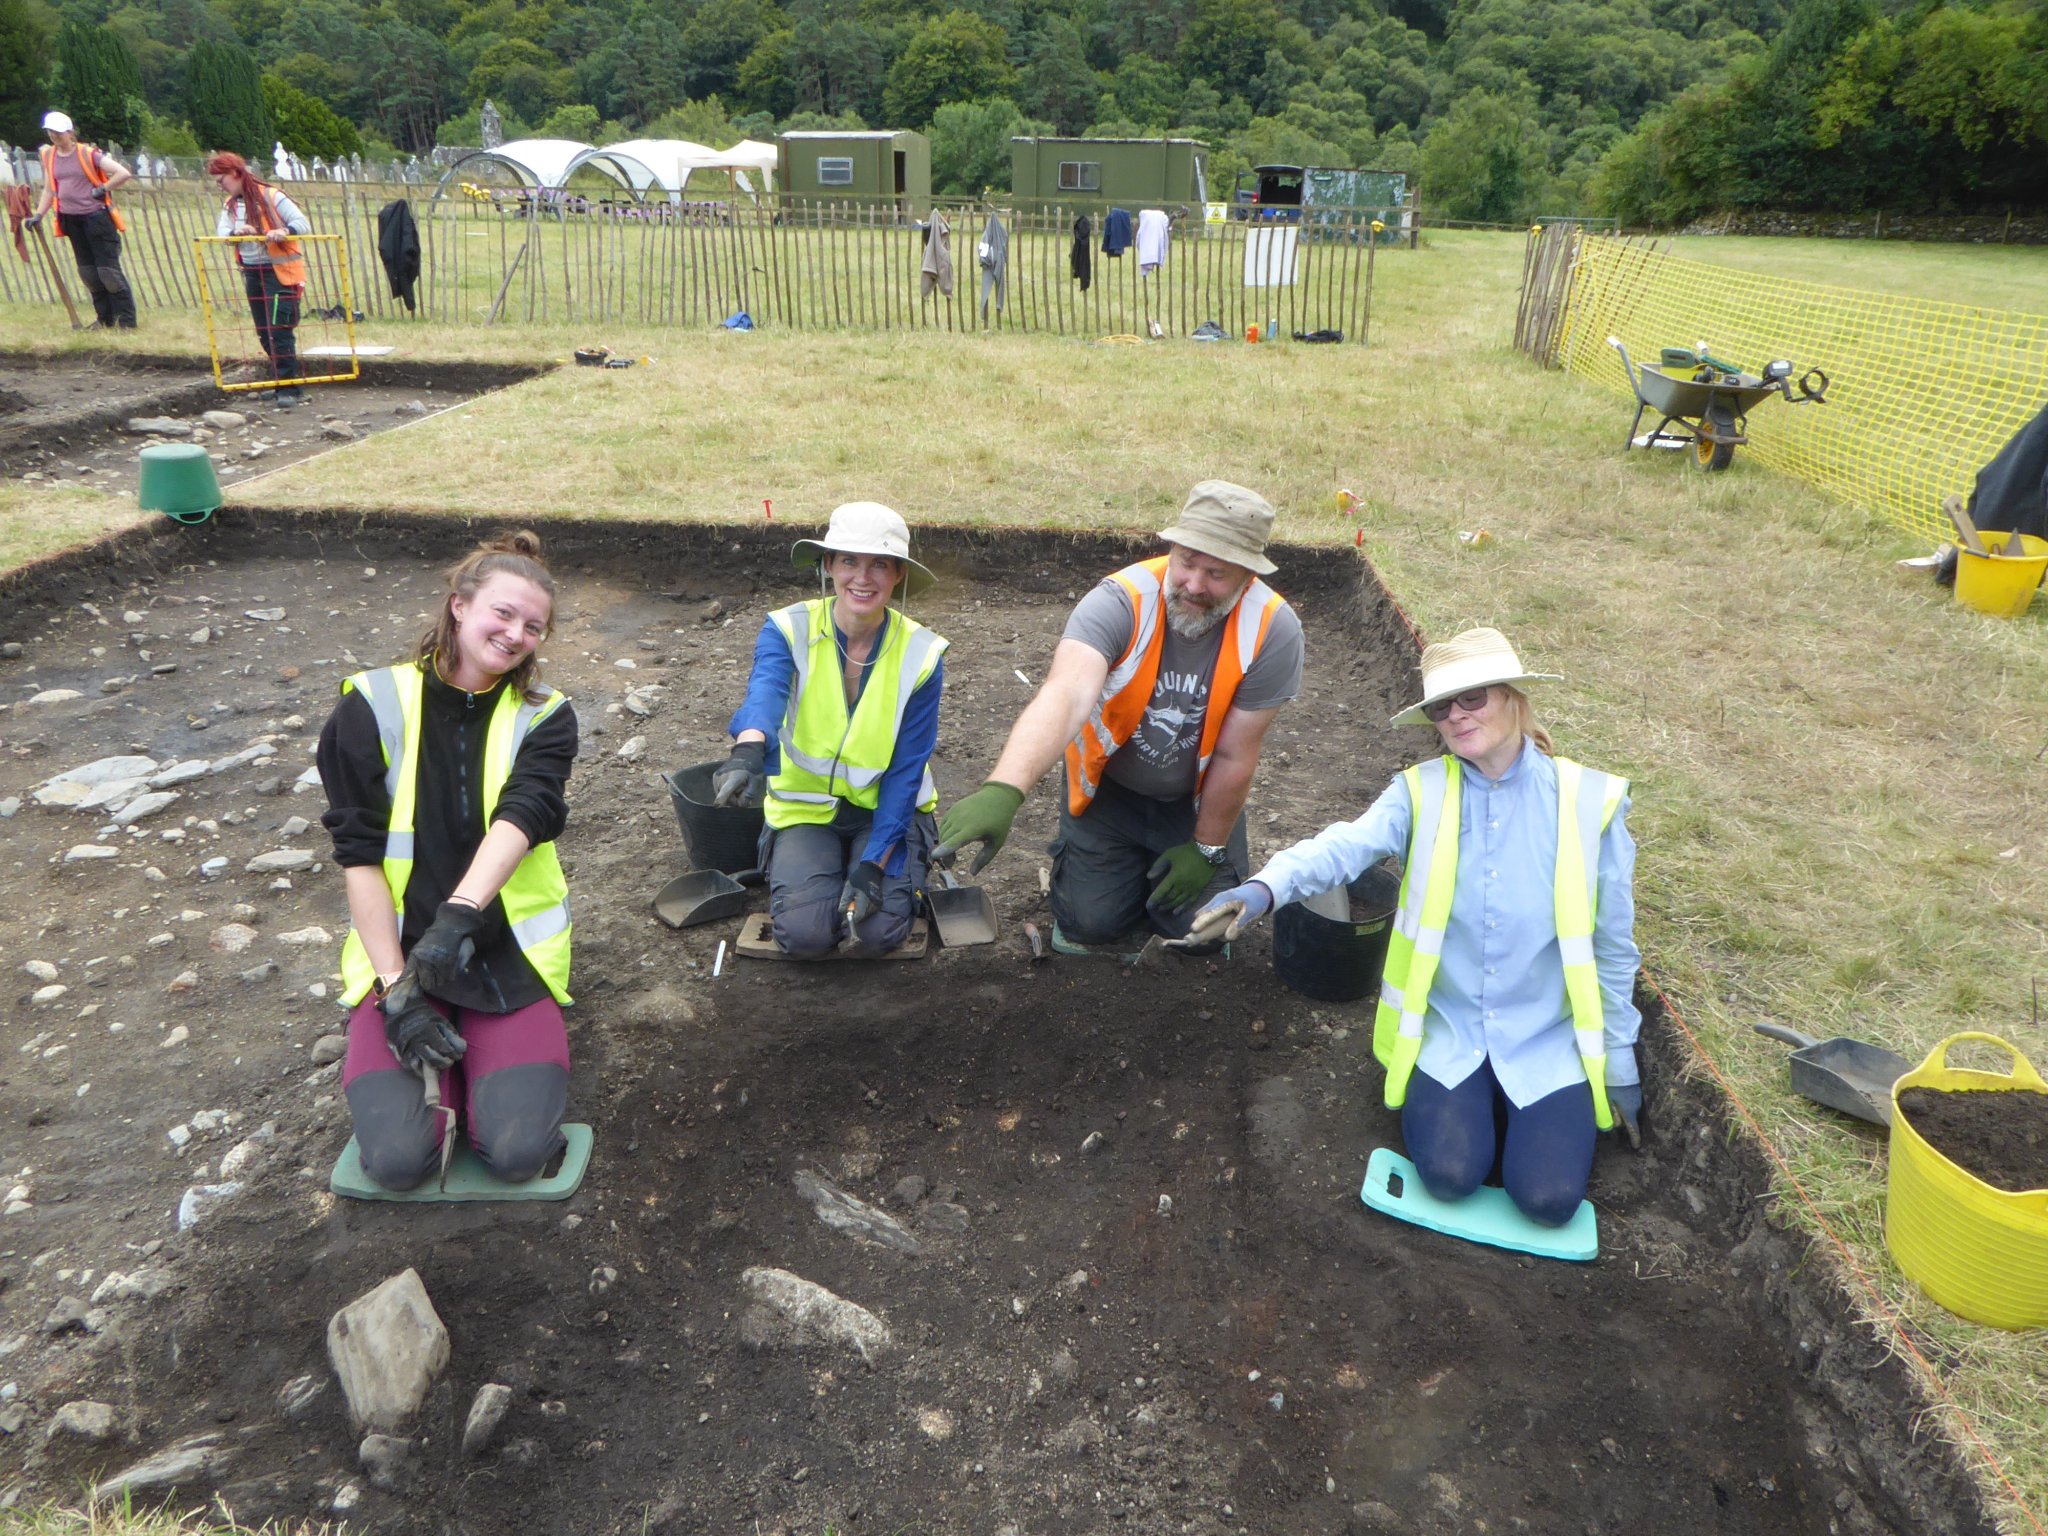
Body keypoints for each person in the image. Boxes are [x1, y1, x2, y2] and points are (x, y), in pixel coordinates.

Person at [1193, 627, 1643, 1227]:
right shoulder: (1421, 793)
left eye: (1473, 698)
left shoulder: (1590, 803)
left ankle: (1522, 1115)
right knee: (1451, 1177)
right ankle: (1482, 1111)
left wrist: (1619, 1063)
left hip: (1546, 1041)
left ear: (1513, 696)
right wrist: (1262, 889)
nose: (1456, 716)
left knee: (1549, 1202)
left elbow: (1613, 946)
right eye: (1441, 707)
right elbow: (1344, 846)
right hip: (1451, 1035)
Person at [935, 481, 1303, 954]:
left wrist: (1207, 847)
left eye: (1216, 573)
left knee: (1202, 931)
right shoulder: (1120, 601)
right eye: (1187, 562)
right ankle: (1112, 872)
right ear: (1172, 548)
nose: (1193, 584)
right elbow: (1066, 693)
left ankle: (1182, 867)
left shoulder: (1273, 629)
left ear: (1248, 576)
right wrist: (1004, 790)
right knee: (1091, 924)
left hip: (1194, 800)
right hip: (1109, 793)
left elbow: (1235, 753)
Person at [318, 531, 580, 1191]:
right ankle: (428, 1053)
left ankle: (484, 1066)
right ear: (460, 605)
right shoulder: (371, 706)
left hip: (505, 954)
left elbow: (524, 814)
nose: (516, 633)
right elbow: (360, 856)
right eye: (502, 612)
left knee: (518, 1154)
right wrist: (397, 991)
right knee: (402, 1164)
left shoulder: (545, 717)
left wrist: (460, 916)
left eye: (533, 626)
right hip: (400, 956)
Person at [712, 502, 948, 958]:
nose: (863, 577)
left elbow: (905, 770)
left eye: (879, 564)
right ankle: (807, 871)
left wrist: (873, 866)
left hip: (888, 810)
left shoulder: (922, 654)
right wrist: (746, 751)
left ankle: (887, 865)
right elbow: (765, 693)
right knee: (806, 937)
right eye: (849, 561)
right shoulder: (788, 628)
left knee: (877, 933)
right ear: (828, 566)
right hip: (806, 810)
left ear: (898, 574)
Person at [207, 151, 313, 406]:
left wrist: (283, 231)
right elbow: (223, 233)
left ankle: (288, 388)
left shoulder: (273, 195)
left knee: (280, 330)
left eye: (221, 180)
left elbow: (302, 223)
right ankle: (283, 384)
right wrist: (236, 232)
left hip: (281, 274)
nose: (220, 186)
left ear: (234, 173)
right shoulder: (230, 205)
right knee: (264, 331)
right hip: (253, 272)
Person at [25, 110, 137, 329]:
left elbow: (122, 173)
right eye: (50, 132)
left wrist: (104, 188)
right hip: (71, 220)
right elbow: (49, 189)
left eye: (58, 132)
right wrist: (38, 214)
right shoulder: (49, 156)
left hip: (96, 219)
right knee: (89, 273)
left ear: (70, 132)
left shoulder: (88, 154)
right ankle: (104, 320)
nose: (54, 136)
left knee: (108, 273)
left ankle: (126, 322)